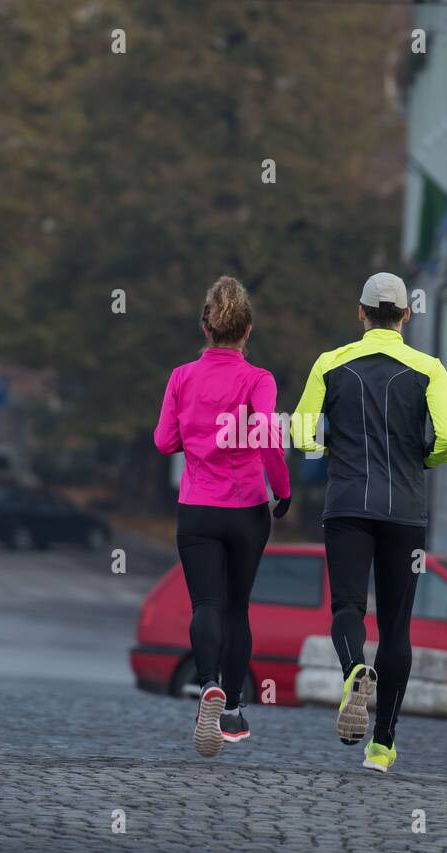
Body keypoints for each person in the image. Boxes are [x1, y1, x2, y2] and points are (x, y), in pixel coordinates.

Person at [290, 272, 447, 773]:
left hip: (347, 503)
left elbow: (301, 430)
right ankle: (382, 745)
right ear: (407, 315)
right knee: (397, 627)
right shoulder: (429, 368)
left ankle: (352, 674)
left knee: (347, 605)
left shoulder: (330, 363)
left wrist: (324, 451)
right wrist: (429, 459)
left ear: (361, 313)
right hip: (405, 511)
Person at [154, 276, 292, 758]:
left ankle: (207, 683)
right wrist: (283, 488)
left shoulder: (180, 377)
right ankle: (232, 707)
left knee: (205, 606)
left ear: (204, 327)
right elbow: (269, 438)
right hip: (248, 509)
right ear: (247, 330)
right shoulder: (259, 380)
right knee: (237, 608)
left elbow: (163, 442)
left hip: (197, 508)